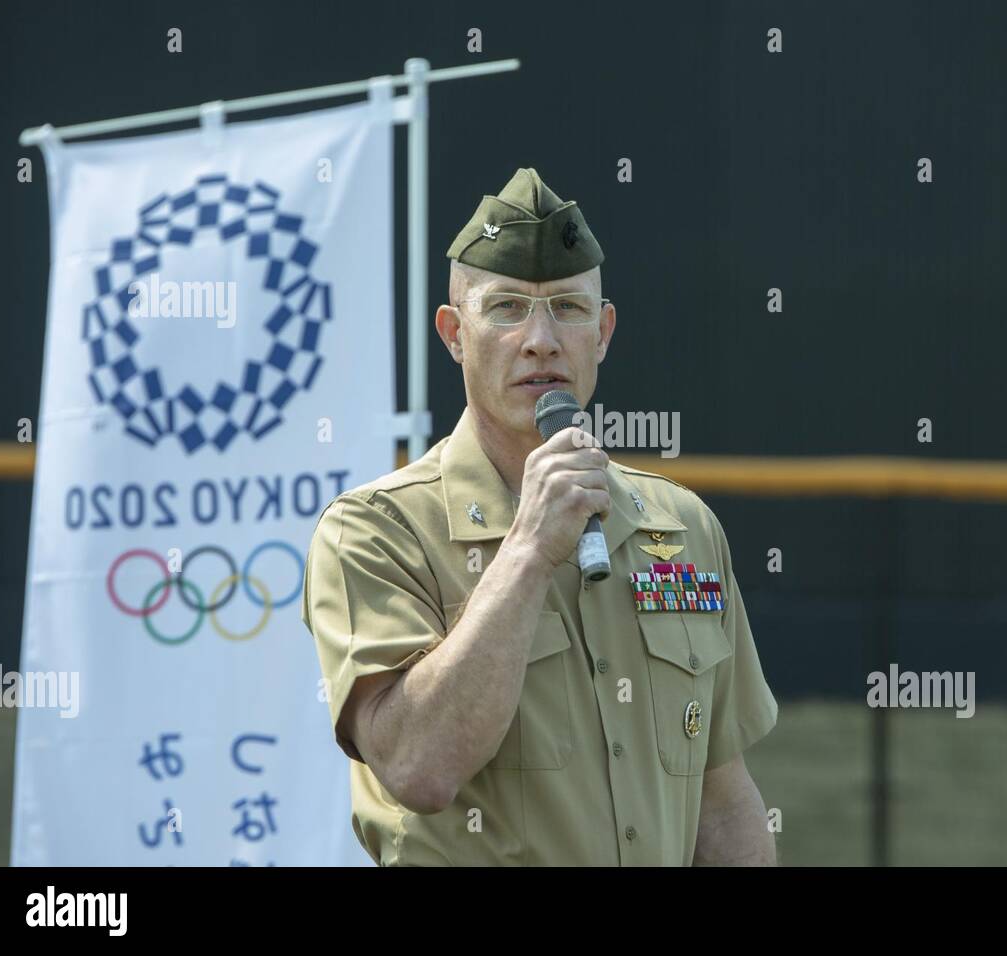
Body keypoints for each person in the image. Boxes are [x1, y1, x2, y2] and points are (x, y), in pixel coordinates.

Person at [302, 167, 778, 865]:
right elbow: (416, 768)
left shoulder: (683, 529)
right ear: (454, 333)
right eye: (506, 309)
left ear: (604, 331)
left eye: (568, 308)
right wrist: (526, 551)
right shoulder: (375, 532)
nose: (541, 340)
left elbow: (723, 799)